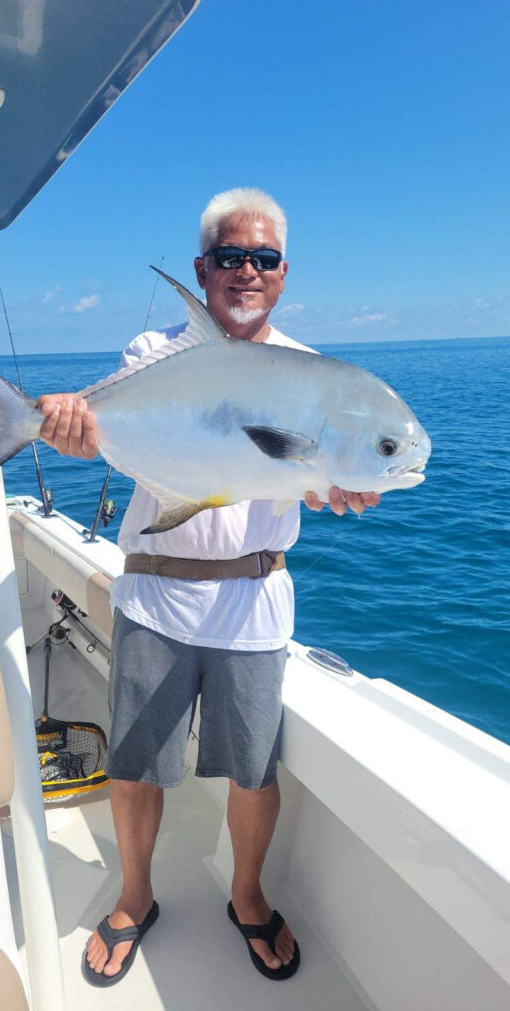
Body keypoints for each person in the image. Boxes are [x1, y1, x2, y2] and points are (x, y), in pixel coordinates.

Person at [38, 188, 380, 984]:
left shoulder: (311, 377)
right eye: (231, 257)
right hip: (155, 595)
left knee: (254, 772)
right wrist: (71, 432)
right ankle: (133, 898)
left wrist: (339, 481)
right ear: (203, 268)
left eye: (263, 259)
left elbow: (313, 471)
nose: (247, 271)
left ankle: (249, 897)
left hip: (255, 603)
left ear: (284, 274)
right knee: (133, 764)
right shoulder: (150, 355)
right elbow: (113, 440)